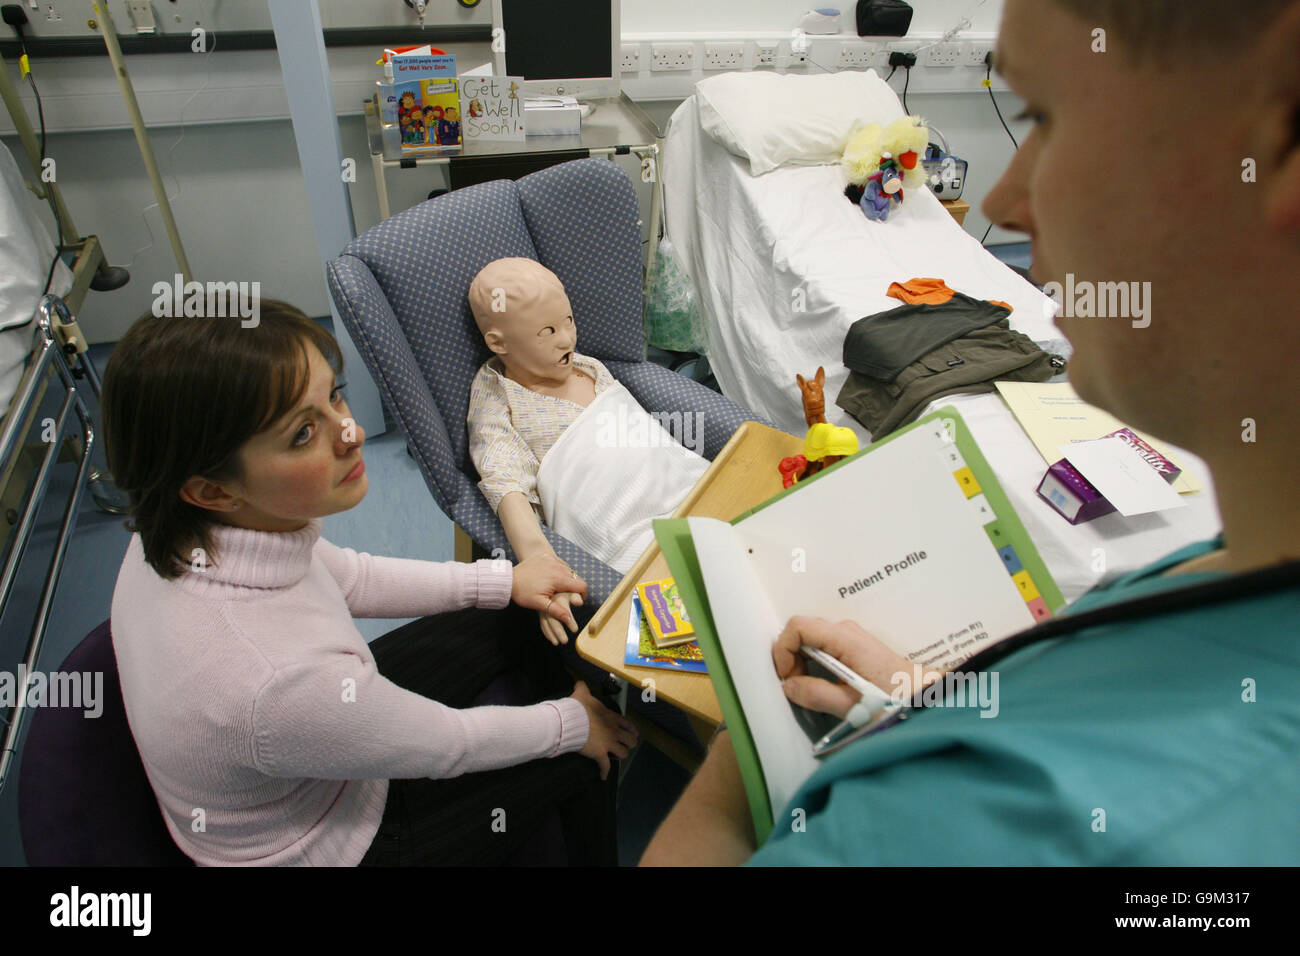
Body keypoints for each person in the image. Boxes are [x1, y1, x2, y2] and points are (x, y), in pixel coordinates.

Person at [641, 0, 1300, 865]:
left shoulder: (955, 828)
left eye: (1046, 116)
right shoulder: (1221, 567)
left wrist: (751, 727)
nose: (1000, 199)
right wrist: (932, 708)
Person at [102, 299, 637, 866]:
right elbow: (447, 744)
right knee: (582, 759)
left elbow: (348, 576)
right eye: (304, 433)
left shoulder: (187, 528)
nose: (351, 432)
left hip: (306, 754)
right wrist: (572, 724)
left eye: (333, 395)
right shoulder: (277, 680)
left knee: (518, 615)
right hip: (333, 840)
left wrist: (507, 581)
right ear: (211, 489)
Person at [466, 257, 708, 644]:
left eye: (568, 321)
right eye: (547, 331)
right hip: (624, 531)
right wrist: (541, 562)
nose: (567, 339)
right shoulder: (500, 396)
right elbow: (504, 481)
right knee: (700, 621)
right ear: (499, 342)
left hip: (688, 489)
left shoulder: (587, 366)